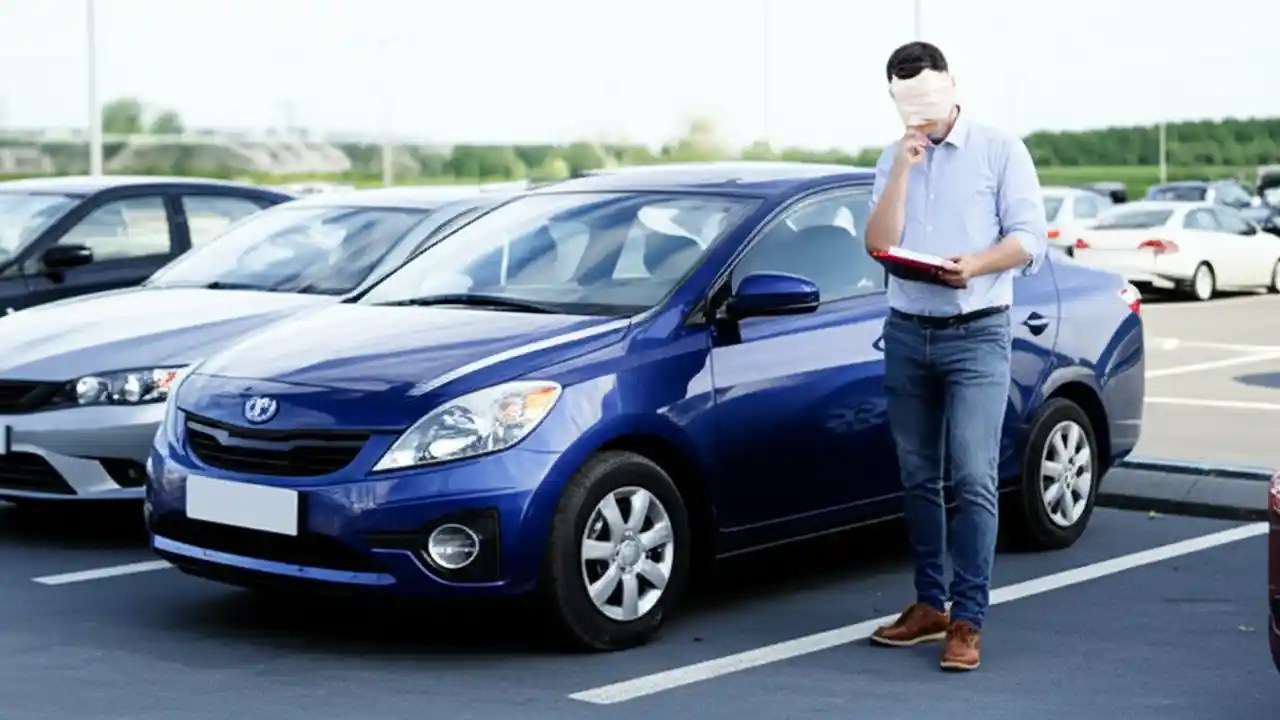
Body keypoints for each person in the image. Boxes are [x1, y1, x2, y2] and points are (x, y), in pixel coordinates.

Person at [863, 41, 1048, 671]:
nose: (920, 112)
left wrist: (975, 265)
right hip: (908, 332)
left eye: (928, 97)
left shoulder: (1000, 149)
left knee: (972, 476)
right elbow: (878, 244)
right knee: (918, 476)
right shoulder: (893, 159)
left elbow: (1028, 239)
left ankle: (968, 619)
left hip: (978, 334)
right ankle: (929, 605)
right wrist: (905, 169)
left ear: (951, 85)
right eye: (906, 101)